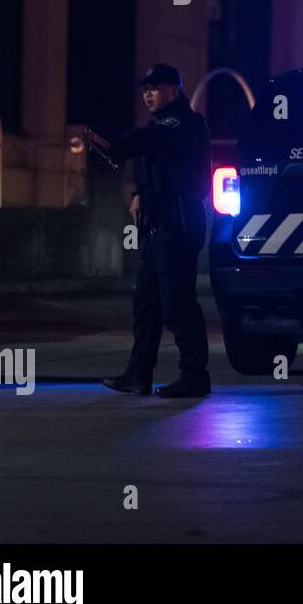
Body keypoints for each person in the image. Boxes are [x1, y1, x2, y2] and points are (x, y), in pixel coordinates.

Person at [85, 64, 213, 397]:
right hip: (159, 225)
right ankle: (138, 375)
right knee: (147, 305)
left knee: (177, 303)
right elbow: (156, 169)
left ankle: (194, 375)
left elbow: (151, 142)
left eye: (154, 88)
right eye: (145, 89)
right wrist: (139, 195)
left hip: (178, 222)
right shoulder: (161, 125)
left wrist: (113, 146)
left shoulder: (184, 123)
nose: (147, 94)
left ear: (174, 89)